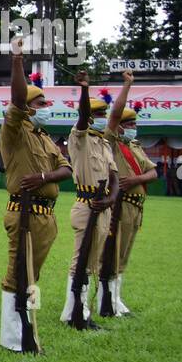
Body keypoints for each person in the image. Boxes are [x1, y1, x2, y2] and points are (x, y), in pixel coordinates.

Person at [0, 39, 71, 351]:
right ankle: (14, 337)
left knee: (32, 275)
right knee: (18, 272)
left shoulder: (45, 138)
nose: (46, 109)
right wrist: (17, 60)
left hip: (46, 216)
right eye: (41, 104)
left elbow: (66, 169)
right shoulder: (15, 131)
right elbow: (16, 99)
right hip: (25, 212)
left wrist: (43, 176)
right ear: (27, 108)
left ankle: (27, 326)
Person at [59, 72, 118, 328]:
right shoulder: (79, 138)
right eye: (100, 115)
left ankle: (78, 311)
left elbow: (114, 177)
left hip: (103, 206)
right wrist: (85, 90)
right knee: (80, 259)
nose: (104, 119)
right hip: (85, 205)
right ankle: (75, 313)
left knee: (93, 259)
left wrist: (110, 200)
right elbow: (82, 117)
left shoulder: (104, 144)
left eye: (106, 114)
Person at [105, 70, 157, 314]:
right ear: (120, 127)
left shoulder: (134, 146)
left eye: (135, 123)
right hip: (121, 204)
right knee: (115, 252)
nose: (134, 128)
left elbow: (153, 173)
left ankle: (116, 297)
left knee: (125, 253)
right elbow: (114, 114)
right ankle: (109, 300)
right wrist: (127, 85)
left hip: (137, 205)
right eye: (130, 124)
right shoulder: (112, 141)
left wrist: (136, 178)